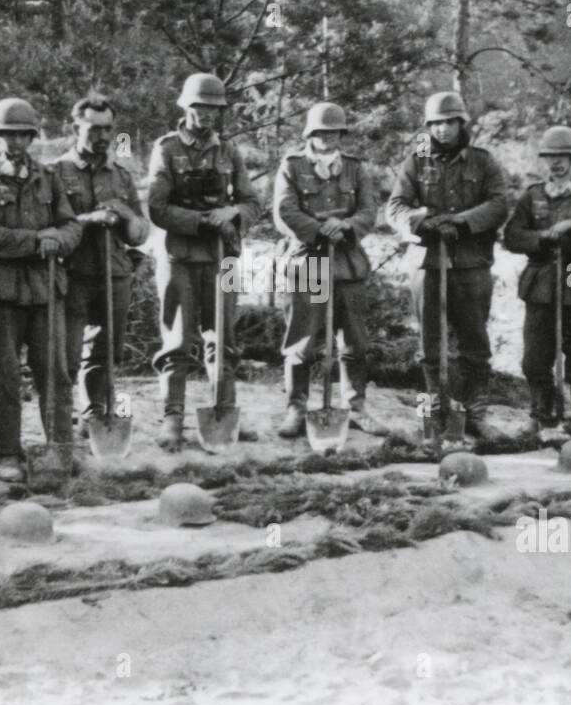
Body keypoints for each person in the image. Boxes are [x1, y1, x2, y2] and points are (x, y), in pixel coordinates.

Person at [0, 98, 83, 482]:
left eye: (23, 134)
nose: (16, 141)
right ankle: (6, 453)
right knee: (4, 375)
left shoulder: (48, 177)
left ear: (32, 136)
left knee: (55, 373)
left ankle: (60, 449)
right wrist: (35, 240)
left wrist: (58, 241)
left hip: (46, 288)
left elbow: (71, 225)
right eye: (9, 134)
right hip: (1, 289)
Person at [146, 73, 262, 451]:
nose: (206, 114)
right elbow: (157, 207)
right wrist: (200, 221)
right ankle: (173, 417)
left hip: (223, 257)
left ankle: (224, 408)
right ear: (186, 107)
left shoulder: (229, 152)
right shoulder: (165, 149)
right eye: (199, 107)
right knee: (178, 340)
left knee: (225, 338)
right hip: (180, 254)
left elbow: (252, 202)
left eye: (213, 108)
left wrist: (231, 214)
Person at [386, 91, 509, 444]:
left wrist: (461, 222)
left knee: (475, 341)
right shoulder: (416, 162)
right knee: (429, 343)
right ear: (429, 126)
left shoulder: (484, 162)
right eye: (436, 123)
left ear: (461, 123)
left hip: (471, 263)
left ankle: (476, 415)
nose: (443, 129)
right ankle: (435, 414)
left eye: (450, 121)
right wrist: (417, 221)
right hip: (427, 263)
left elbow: (499, 203)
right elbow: (394, 206)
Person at [272, 101, 386, 438]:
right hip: (310, 261)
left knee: (355, 341)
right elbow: (284, 212)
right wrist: (319, 229)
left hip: (347, 263)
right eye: (321, 132)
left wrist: (346, 225)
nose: (327, 138)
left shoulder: (354, 169)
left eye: (334, 132)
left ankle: (357, 406)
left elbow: (369, 210)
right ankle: (296, 406)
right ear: (310, 133)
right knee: (303, 338)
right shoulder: (292, 166)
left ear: (341, 134)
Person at [502, 125, 571, 439]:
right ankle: (543, 417)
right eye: (550, 157)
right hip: (541, 279)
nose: (556, 163)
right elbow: (511, 236)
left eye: (563, 157)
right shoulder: (533, 195)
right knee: (534, 359)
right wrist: (541, 237)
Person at [52, 95, 149, 435]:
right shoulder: (55, 172)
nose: (103, 136)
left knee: (108, 352)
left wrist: (124, 214)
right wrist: (88, 219)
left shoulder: (121, 176)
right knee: (66, 355)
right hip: (72, 274)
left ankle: (96, 414)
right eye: (94, 129)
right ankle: (61, 425)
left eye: (108, 129)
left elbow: (139, 234)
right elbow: (48, 225)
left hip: (114, 273)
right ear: (75, 127)